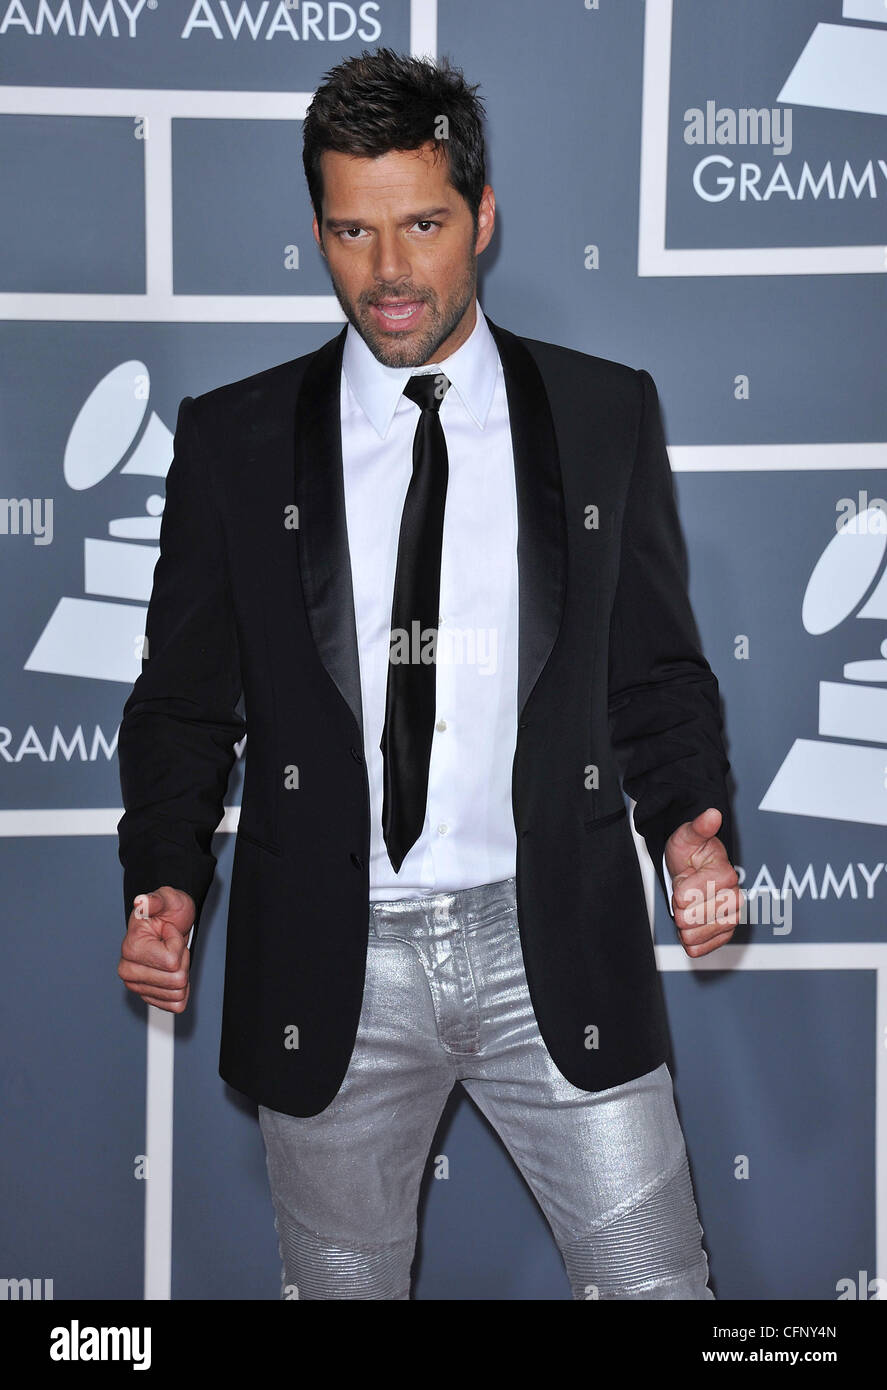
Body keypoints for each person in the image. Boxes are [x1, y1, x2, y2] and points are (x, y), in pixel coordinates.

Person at [116, 48, 742, 1301]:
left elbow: (657, 671)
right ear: (317, 230)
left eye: (421, 225)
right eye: (352, 230)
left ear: (482, 217)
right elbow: (185, 702)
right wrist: (166, 878)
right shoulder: (233, 439)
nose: (389, 272)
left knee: (660, 1292)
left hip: (547, 932)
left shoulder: (601, 414)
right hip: (331, 952)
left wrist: (687, 827)